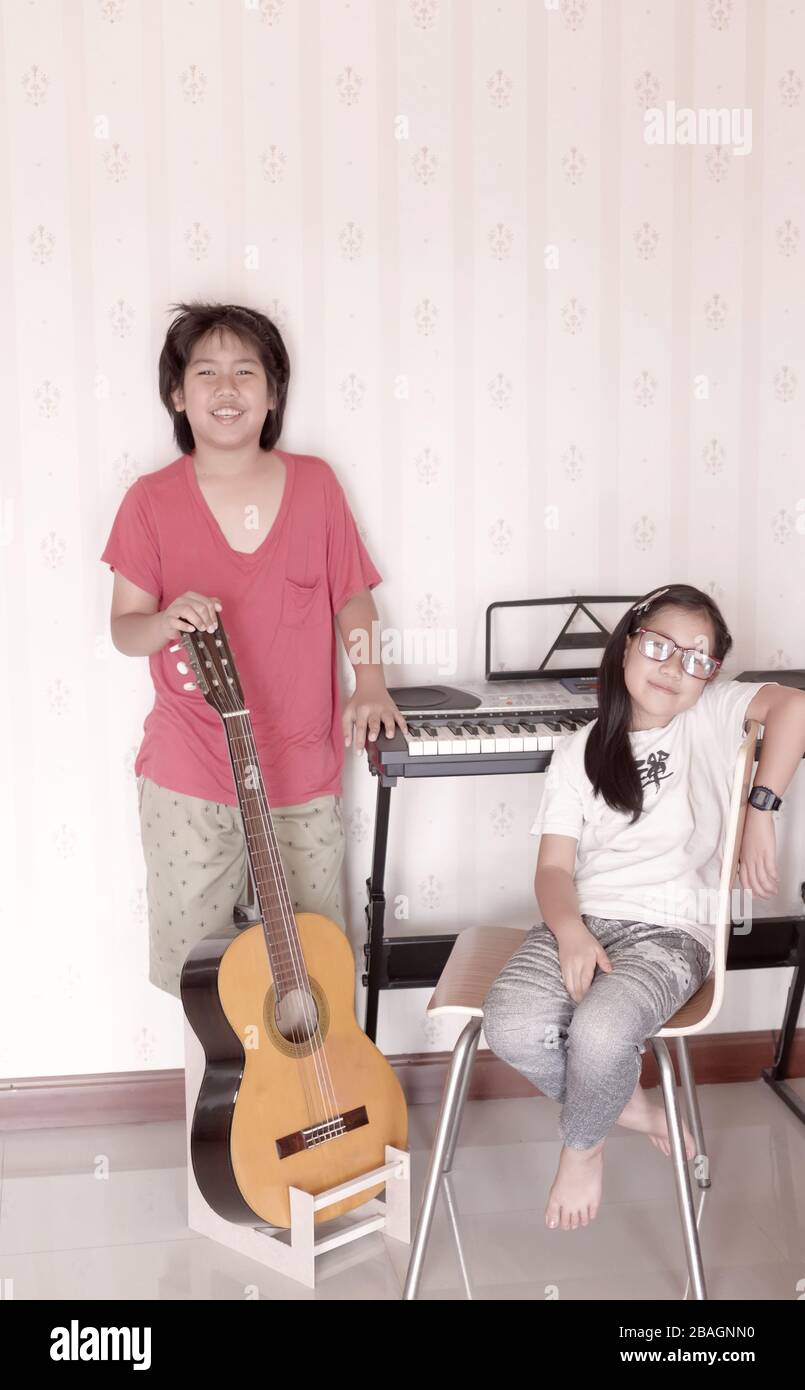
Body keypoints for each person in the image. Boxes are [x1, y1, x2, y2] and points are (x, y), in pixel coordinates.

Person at [100, 300, 407, 998]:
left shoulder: (316, 485)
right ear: (178, 395)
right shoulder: (149, 501)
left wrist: (370, 681)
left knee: (313, 971)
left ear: (273, 393)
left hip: (299, 768)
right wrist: (166, 618)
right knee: (200, 980)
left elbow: (351, 596)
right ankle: (206, 1111)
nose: (227, 387)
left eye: (247, 371)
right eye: (205, 371)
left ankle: (309, 1108)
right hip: (190, 773)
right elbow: (125, 628)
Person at [482, 582, 805, 1231]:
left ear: (709, 674)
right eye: (659, 645)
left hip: (669, 934)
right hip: (584, 920)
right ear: (628, 643)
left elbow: (796, 705)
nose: (673, 666)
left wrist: (760, 809)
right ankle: (630, 1105)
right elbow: (551, 868)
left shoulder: (708, 714)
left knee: (601, 1031)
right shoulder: (579, 750)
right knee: (510, 1023)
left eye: (696, 657)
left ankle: (583, 1145)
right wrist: (569, 932)